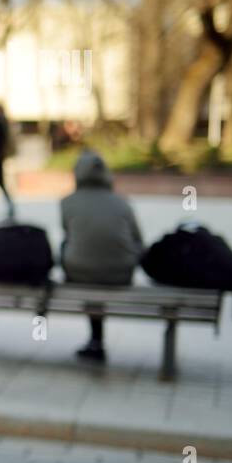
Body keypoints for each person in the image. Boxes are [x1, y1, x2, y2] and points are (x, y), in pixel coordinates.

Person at [60, 149, 144, 362]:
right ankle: (97, 340)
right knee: (94, 258)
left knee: (74, 251)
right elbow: (139, 241)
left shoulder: (68, 202)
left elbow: (69, 236)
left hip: (80, 272)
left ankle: (95, 340)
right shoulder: (122, 202)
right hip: (120, 273)